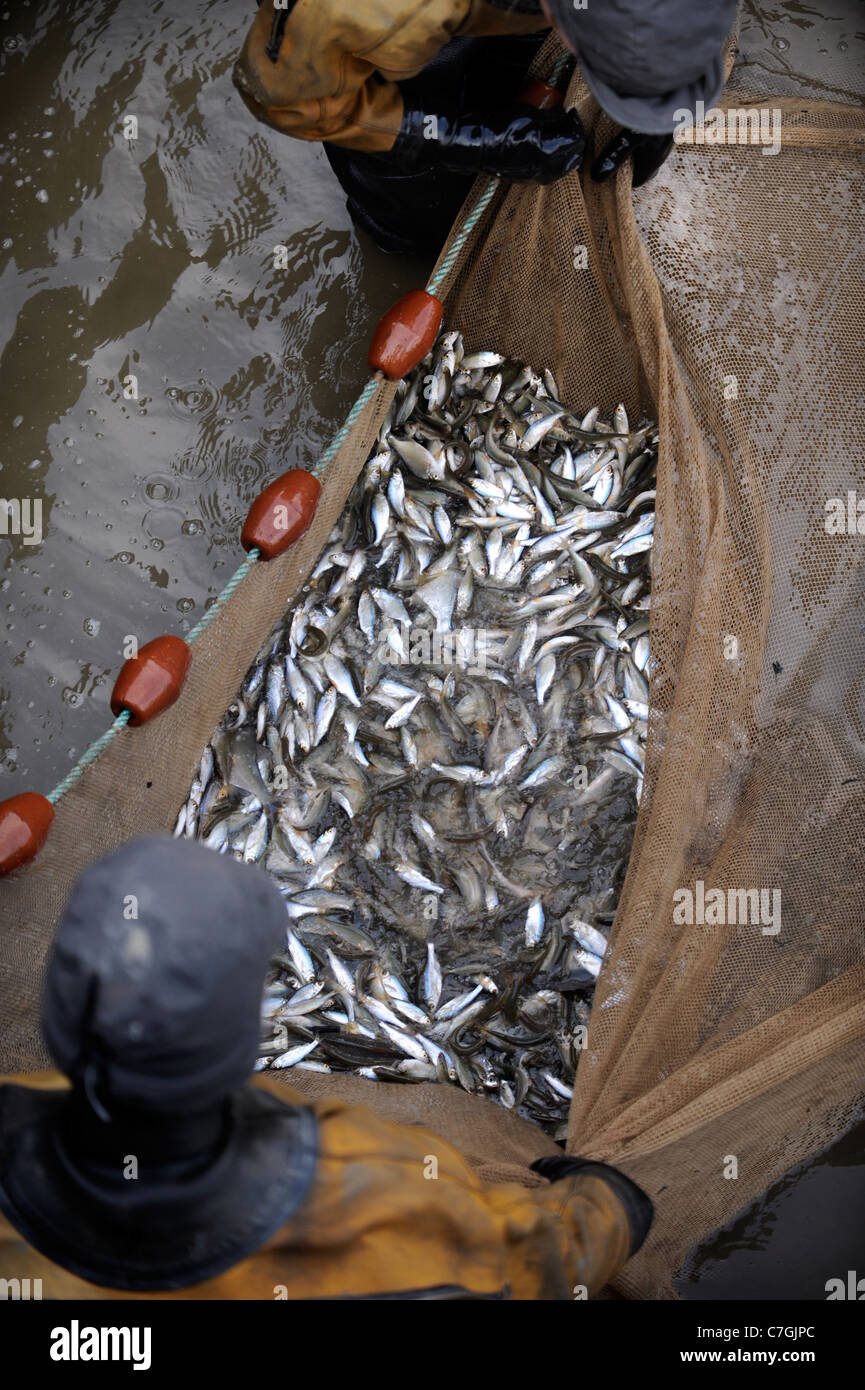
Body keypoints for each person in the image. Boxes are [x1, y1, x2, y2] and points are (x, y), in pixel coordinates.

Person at [0, 836, 652, 1298]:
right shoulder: (369, 1186)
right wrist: (610, 1200)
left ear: (58, 1024)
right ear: (242, 1043)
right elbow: (537, 1263)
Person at [233, 0, 737, 254]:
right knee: (411, 219)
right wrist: (469, 140)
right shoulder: (363, 7)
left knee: (511, 69)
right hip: (358, 38)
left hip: (523, 11)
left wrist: (666, 95)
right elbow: (283, 94)